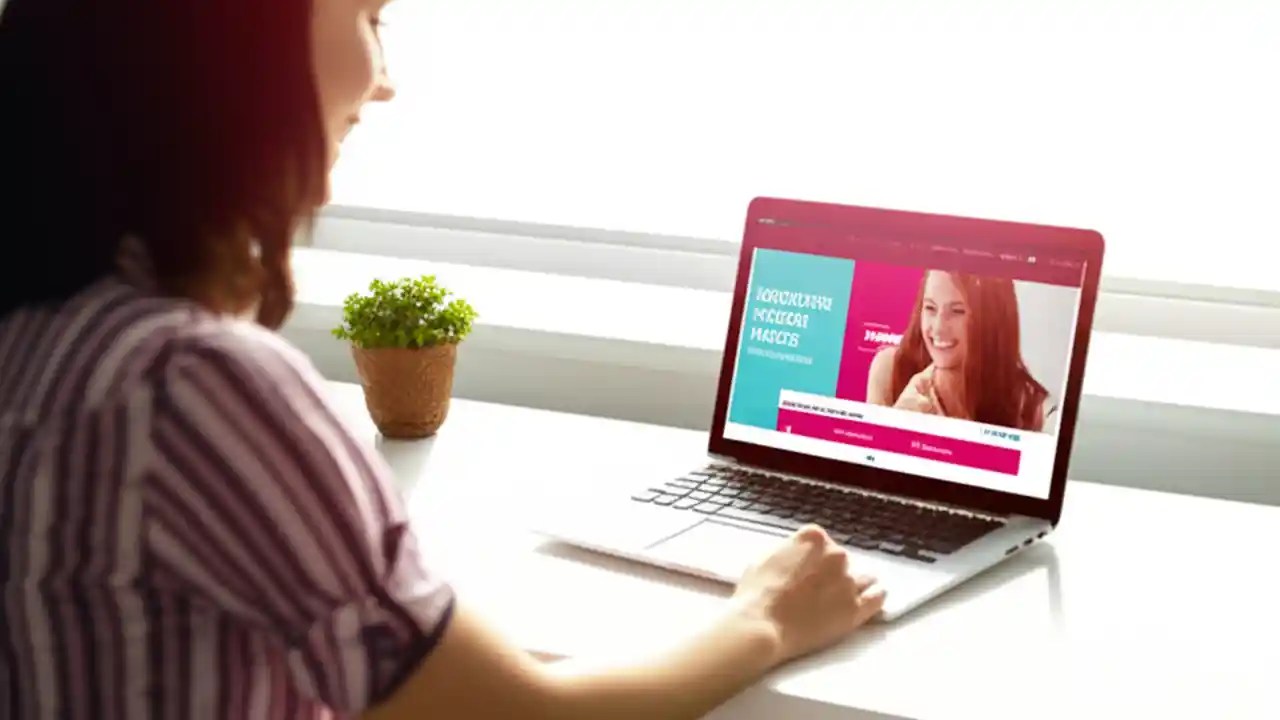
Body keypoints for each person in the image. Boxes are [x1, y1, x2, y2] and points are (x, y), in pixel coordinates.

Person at [0, 1, 886, 718]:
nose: (384, 82)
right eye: (369, 20)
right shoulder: (188, 386)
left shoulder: (39, 335)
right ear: (237, 53)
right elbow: (519, 716)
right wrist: (765, 618)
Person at [866, 269, 1055, 432]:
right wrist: (895, 428)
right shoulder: (890, 370)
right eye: (930, 308)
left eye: (957, 311)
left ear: (992, 319)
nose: (938, 328)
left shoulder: (1038, 411)